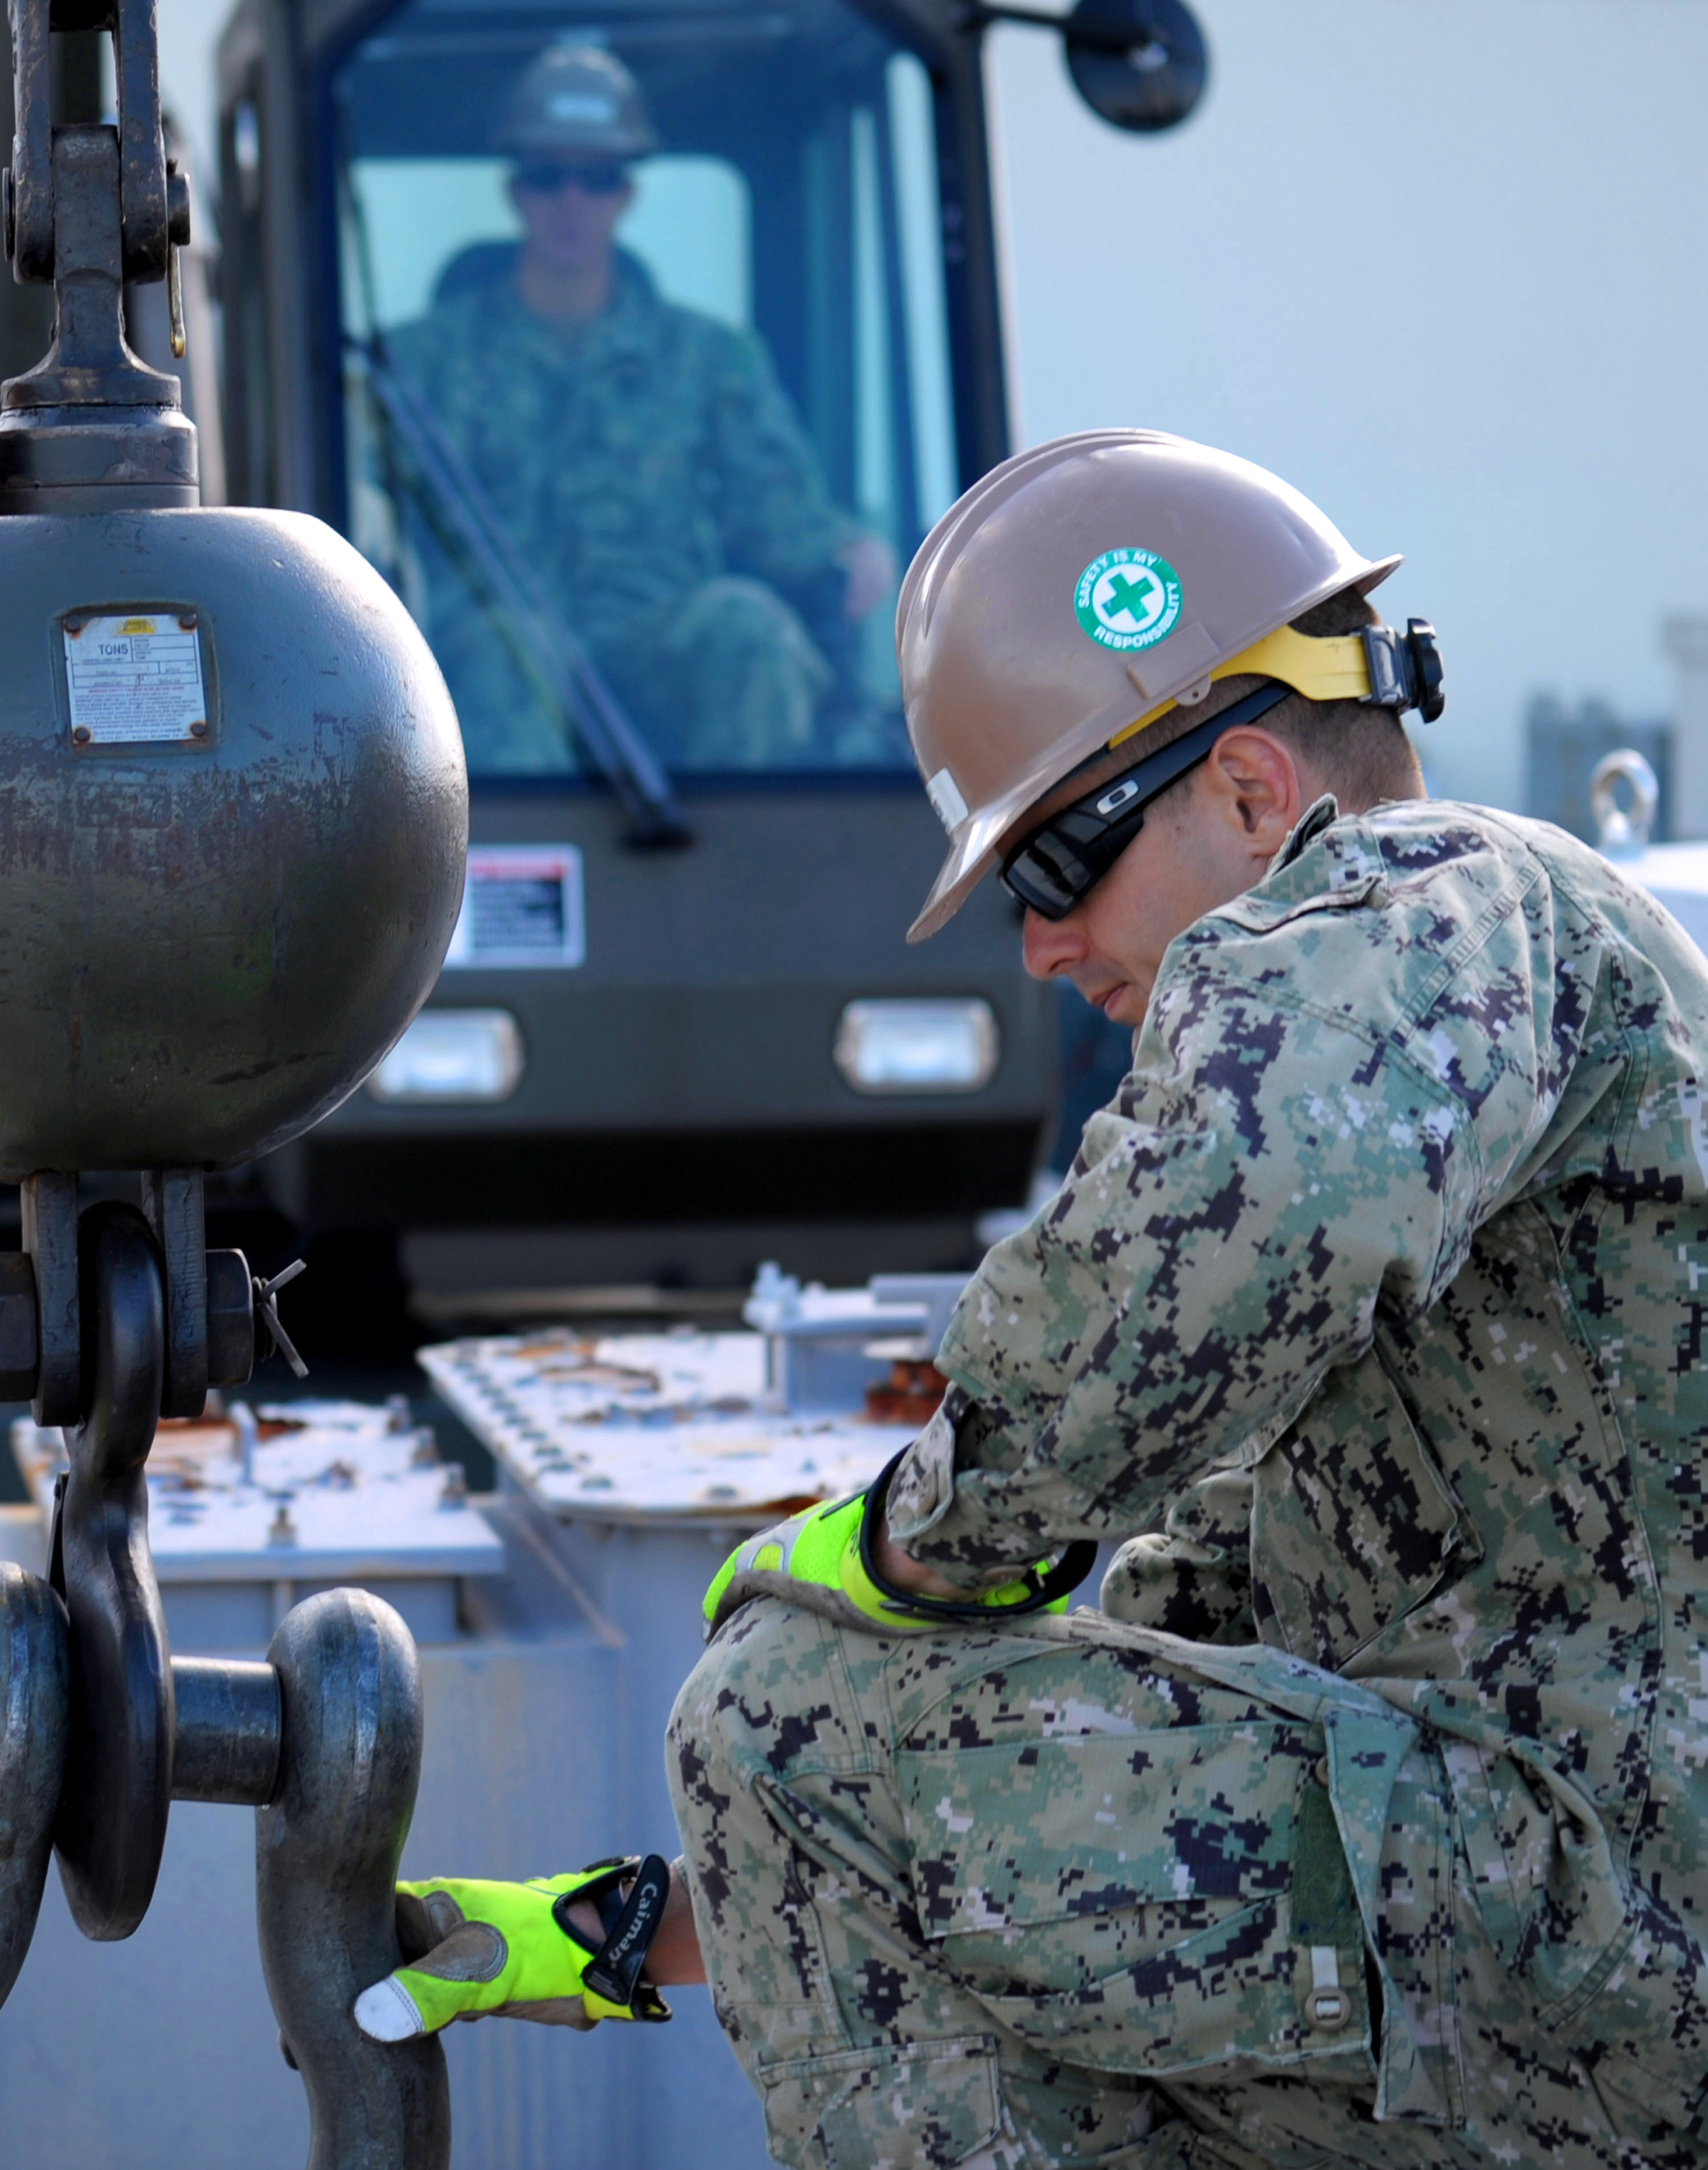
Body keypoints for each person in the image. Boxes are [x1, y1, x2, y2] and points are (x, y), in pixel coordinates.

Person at [353, 430, 1708, 2169]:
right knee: (810, 1767)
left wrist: (926, 1536)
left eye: (1052, 871)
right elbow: (1190, 1647)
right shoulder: (1453, 1072)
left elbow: (1209, 1244)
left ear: (1245, 792)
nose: (1039, 950)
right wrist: (664, 1927)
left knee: (777, 1715)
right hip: (1559, 1921)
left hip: (1587, 1920)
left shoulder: (1435, 895)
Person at [379, 41, 892, 773]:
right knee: (502, 649)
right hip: (496, 662)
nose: (571, 202)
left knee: (749, 630)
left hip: (659, 641)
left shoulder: (711, 359)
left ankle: (748, 876)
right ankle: (492, 883)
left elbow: (780, 515)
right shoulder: (417, 363)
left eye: (597, 177)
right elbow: (364, 514)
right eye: (548, 175)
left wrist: (847, 548)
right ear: (516, 189)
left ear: (627, 193)